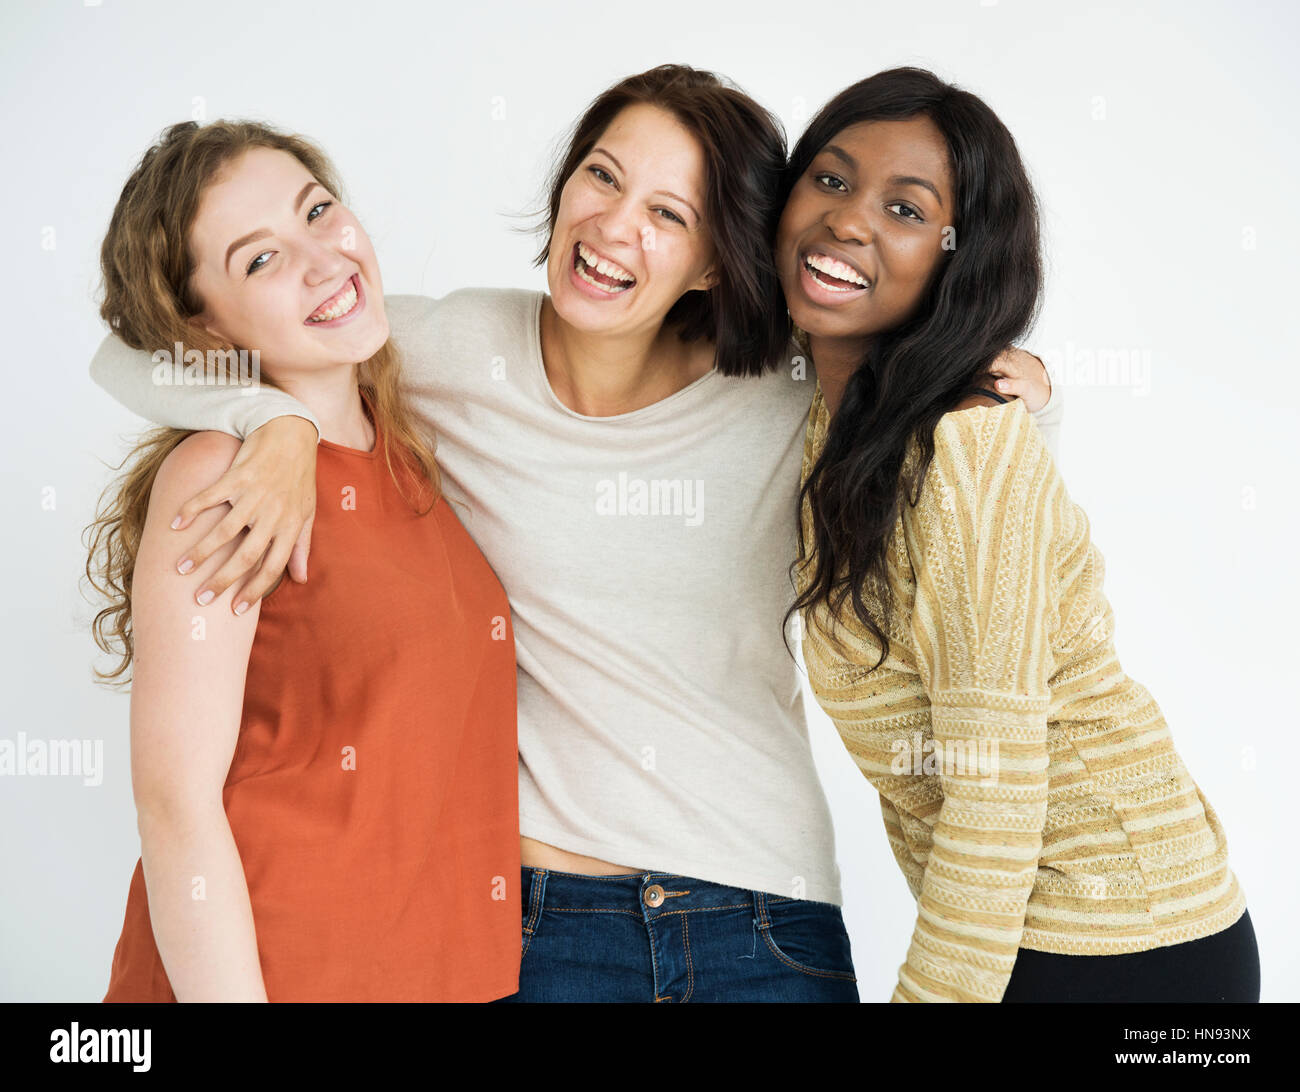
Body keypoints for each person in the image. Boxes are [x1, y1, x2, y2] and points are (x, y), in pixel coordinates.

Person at [89, 67, 1057, 1002]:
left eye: (669, 213)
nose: (615, 225)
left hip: (764, 919)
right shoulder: (444, 353)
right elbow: (140, 348)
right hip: (541, 931)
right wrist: (270, 417)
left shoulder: (791, 385)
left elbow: (960, 421)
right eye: (602, 175)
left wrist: (1035, 389)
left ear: (715, 260)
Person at [781, 67, 1258, 1003]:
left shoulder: (965, 446)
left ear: (959, 259)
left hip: (1120, 948)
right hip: (1036, 932)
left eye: (907, 210)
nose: (848, 220)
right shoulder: (832, 419)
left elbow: (992, 785)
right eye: (830, 179)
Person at [86, 120, 519, 1002]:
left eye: (318, 211)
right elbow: (175, 804)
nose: (324, 260)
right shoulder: (220, 473)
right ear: (204, 329)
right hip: (272, 974)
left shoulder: (408, 452)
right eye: (260, 260)